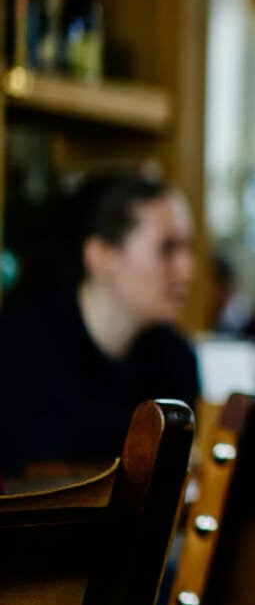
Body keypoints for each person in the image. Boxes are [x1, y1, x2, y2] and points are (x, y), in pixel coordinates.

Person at [0, 168, 198, 476]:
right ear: (101, 256)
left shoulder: (174, 357)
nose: (186, 269)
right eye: (167, 249)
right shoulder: (19, 349)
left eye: (188, 248)